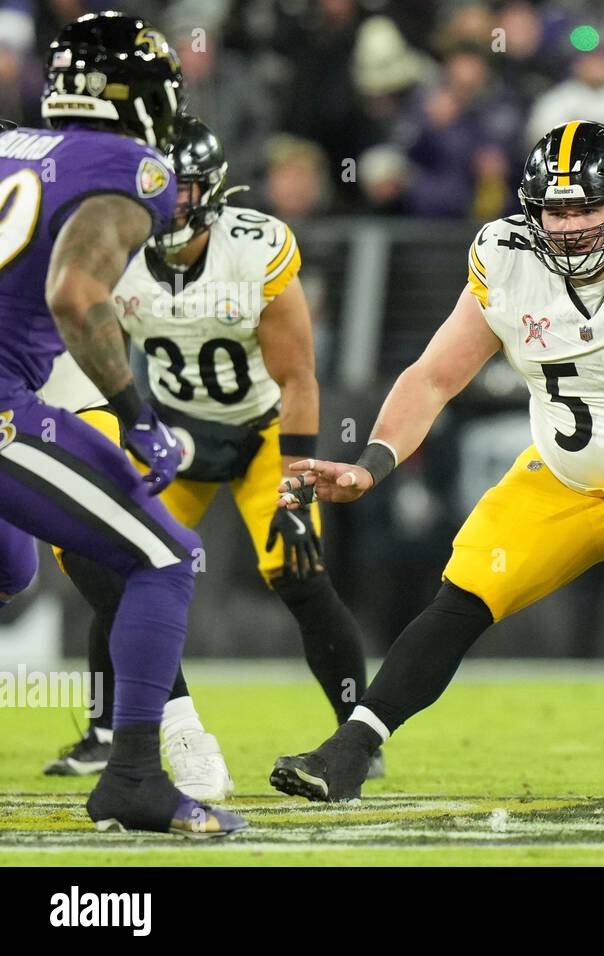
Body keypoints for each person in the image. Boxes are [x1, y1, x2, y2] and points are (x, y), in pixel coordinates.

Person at [269, 120, 604, 808]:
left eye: (586, 208)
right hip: (561, 479)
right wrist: (371, 464)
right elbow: (434, 377)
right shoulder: (506, 262)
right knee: (462, 597)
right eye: (555, 211)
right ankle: (349, 753)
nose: (570, 226)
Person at [38, 115, 374, 799]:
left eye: (180, 188)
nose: (166, 203)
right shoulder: (114, 253)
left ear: (211, 191)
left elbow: (299, 379)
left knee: (298, 572)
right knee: (115, 557)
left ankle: (355, 736)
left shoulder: (252, 249)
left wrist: (295, 494)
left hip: (261, 432)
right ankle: (106, 731)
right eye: (153, 187)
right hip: (170, 432)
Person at [0, 13, 243, 836]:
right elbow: (76, 295)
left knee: (10, 564)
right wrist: (138, 418)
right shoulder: (130, 166)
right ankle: (135, 774)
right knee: (164, 556)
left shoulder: (11, 147)